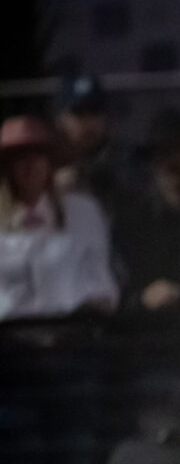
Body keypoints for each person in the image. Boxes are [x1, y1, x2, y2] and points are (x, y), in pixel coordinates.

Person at [0, 113, 118, 321]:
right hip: (8, 340)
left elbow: (102, 279)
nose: (30, 165)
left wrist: (96, 303)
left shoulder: (83, 212)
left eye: (37, 156)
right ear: (7, 167)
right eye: (19, 158)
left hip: (68, 338)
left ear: (50, 162)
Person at [115, 108, 180, 313]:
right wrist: (143, 297)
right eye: (163, 153)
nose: (173, 162)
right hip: (155, 330)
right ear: (153, 161)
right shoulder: (134, 220)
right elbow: (121, 287)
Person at [52, 74, 126, 217]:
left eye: (94, 112)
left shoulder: (123, 165)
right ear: (61, 120)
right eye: (78, 113)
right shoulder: (44, 165)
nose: (88, 122)